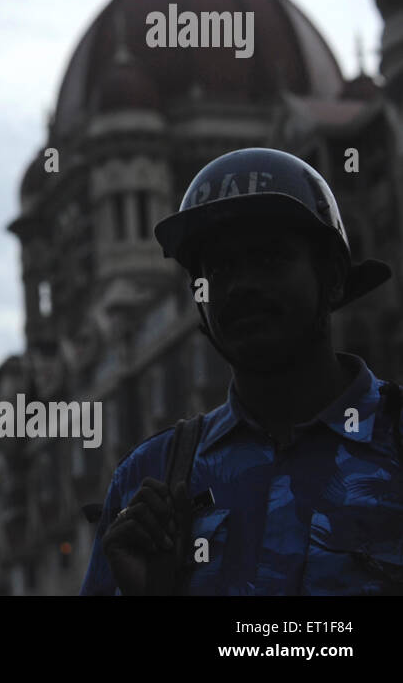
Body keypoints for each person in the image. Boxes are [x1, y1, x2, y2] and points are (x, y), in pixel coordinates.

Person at [81, 147, 402, 595]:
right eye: (219, 269)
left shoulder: (393, 438)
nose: (240, 286)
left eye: (269, 259)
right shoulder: (148, 482)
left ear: (331, 278)